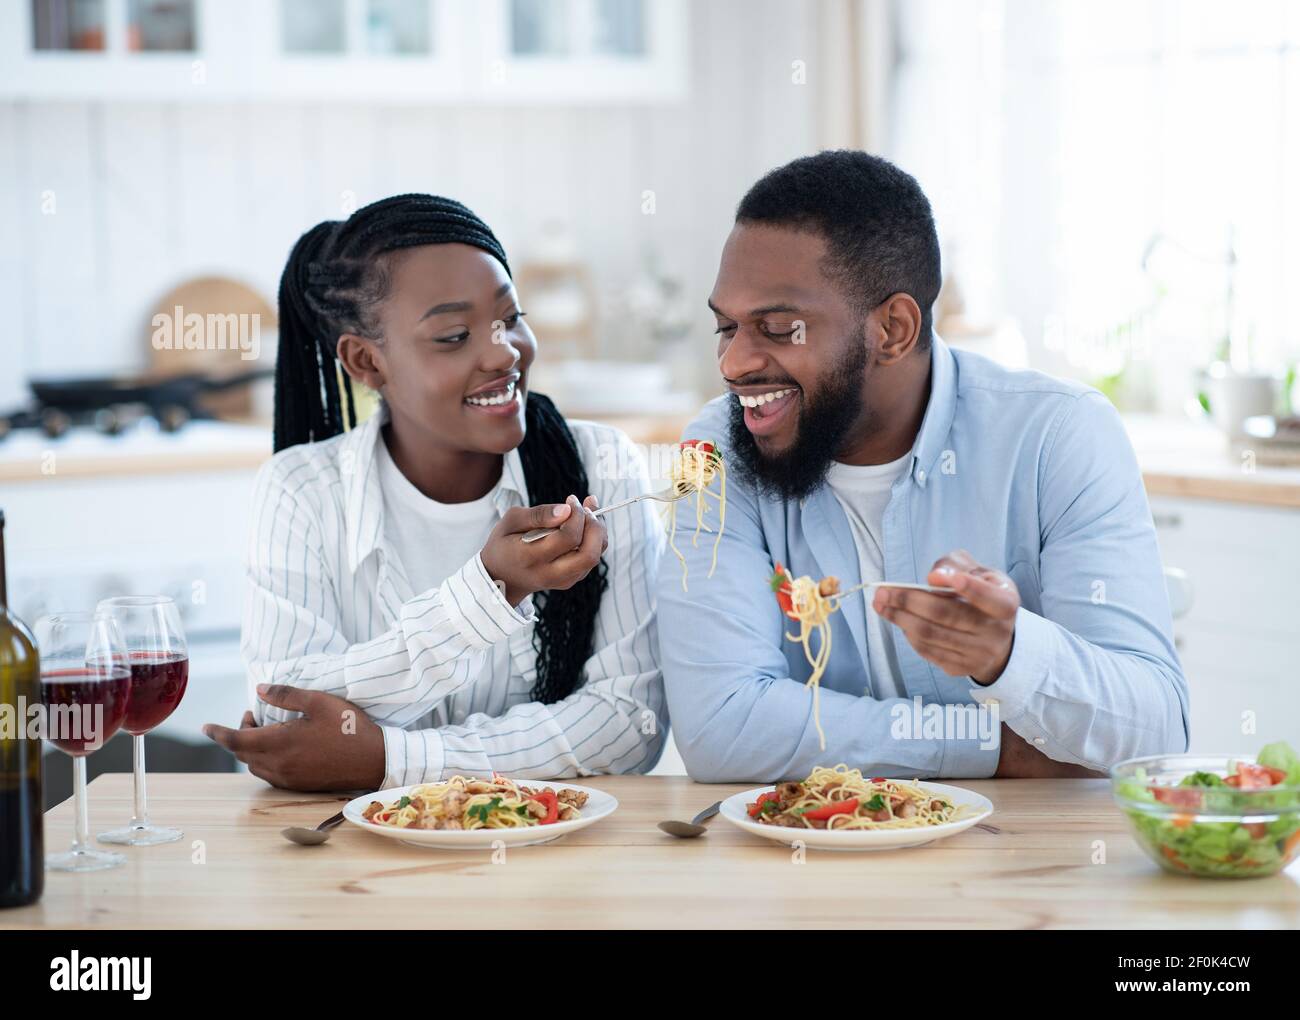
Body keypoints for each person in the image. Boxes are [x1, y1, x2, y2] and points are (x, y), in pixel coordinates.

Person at [656, 150, 1189, 782]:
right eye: (726, 327)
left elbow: (1156, 726)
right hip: (815, 857)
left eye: (777, 328)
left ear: (894, 328)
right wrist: (990, 744)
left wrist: (1009, 654)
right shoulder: (712, 454)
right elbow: (724, 727)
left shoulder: (1058, 434)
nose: (734, 363)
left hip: (1030, 861)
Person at [204, 194, 664, 790]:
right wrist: (490, 593)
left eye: (510, 318)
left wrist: (389, 761)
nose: (503, 352)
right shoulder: (301, 492)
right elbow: (288, 716)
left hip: (555, 863)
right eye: (453, 335)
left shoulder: (601, 466)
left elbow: (631, 724)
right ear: (366, 361)